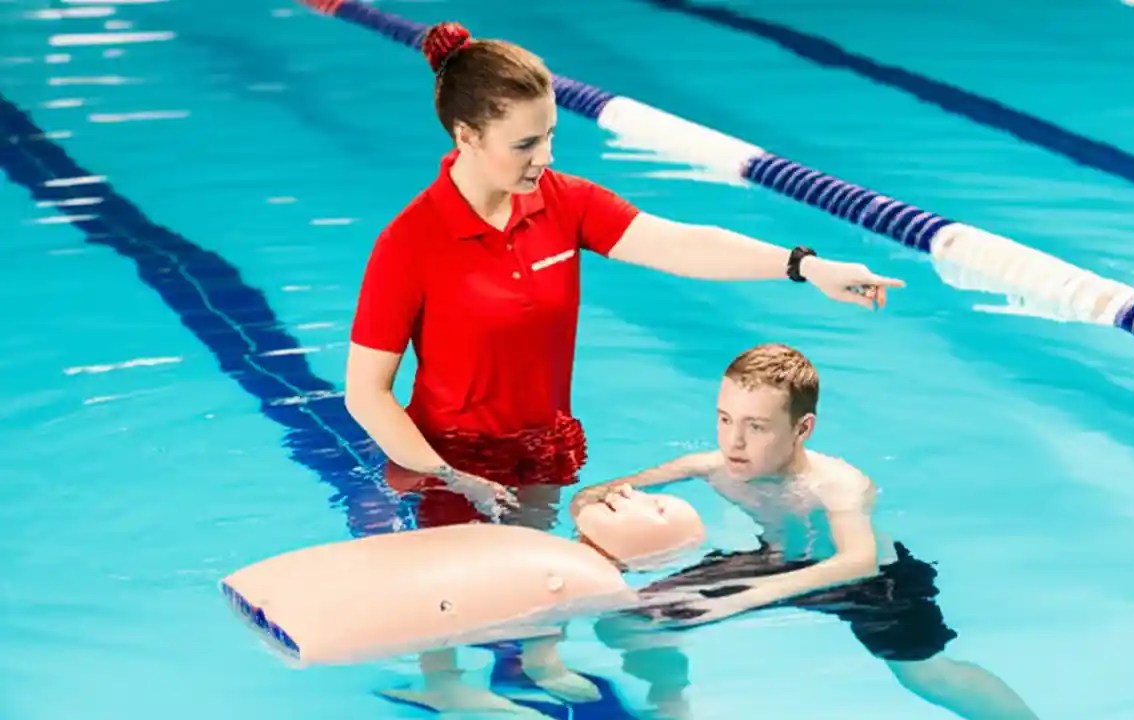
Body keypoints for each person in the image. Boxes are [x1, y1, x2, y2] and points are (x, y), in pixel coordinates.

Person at [342, 18, 905, 715]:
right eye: (524, 143)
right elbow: (366, 394)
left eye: (550, 135)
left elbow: (678, 244)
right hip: (450, 453)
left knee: (537, 556)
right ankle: (442, 681)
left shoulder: (561, 203)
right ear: (466, 138)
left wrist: (804, 266)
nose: (543, 156)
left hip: (540, 438)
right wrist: (451, 475)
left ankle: (537, 657)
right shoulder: (410, 243)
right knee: (449, 578)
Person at [573, 344, 1040, 720]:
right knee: (627, 621)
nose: (733, 442)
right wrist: (605, 530)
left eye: (756, 427)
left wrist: (743, 597)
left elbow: (858, 560)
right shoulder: (712, 467)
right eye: (724, 419)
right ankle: (673, 707)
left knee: (925, 676)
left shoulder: (838, 484)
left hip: (874, 585)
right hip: (778, 561)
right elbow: (595, 494)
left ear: (802, 429)